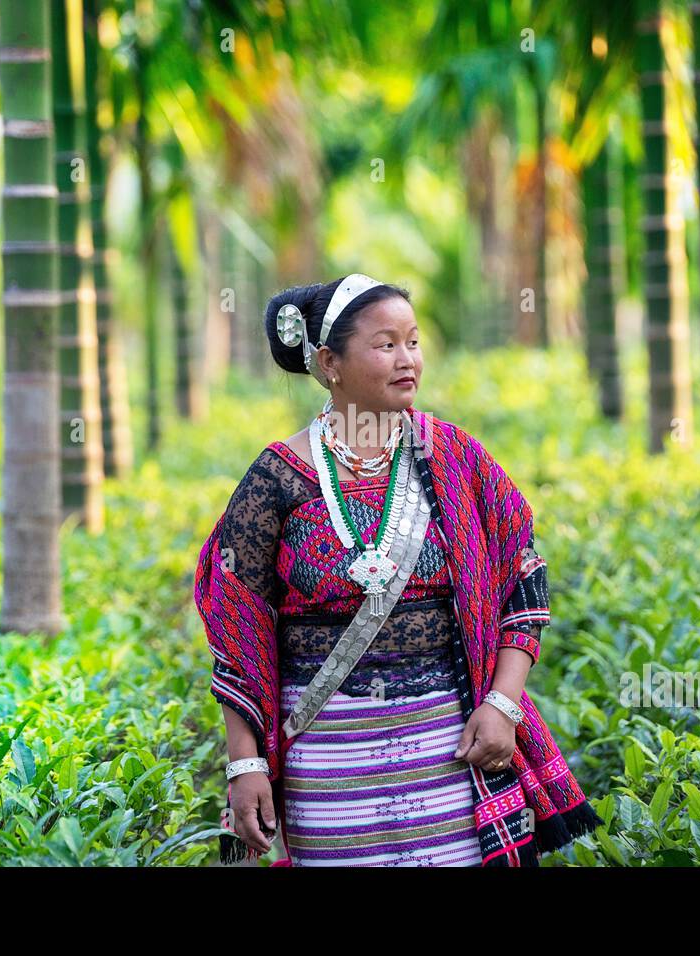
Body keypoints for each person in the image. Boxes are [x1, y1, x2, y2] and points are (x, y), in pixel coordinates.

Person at [193, 273, 600, 866]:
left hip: (452, 749)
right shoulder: (276, 478)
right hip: (329, 763)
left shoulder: (457, 457)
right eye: (386, 345)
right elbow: (236, 627)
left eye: (413, 341)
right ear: (330, 361)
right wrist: (245, 763)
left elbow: (523, 580)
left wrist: (504, 705)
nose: (407, 359)